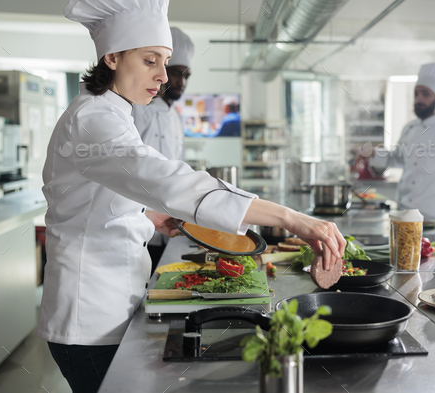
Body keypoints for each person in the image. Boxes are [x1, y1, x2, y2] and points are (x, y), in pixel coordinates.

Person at [38, 1, 345, 392]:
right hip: (88, 316)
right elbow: (170, 180)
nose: (163, 76)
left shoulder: (114, 112)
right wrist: (292, 219)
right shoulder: (93, 118)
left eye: (165, 63)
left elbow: (95, 201)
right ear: (112, 57)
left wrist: (147, 217)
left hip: (109, 304)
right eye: (151, 61)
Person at [367, 63, 435, 226]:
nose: (419, 99)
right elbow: (397, 159)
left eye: (425, 94)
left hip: (432, 218)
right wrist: (372, 153)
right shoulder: (409, 128)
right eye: (416, 94)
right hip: (403, 215)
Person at [132, 26, 193, 269]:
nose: (181, 82)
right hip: (138, 221)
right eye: (176, 73)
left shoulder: (176, 118)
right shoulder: (137, 109)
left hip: (167, 222)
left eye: (187, 76)